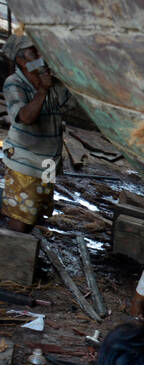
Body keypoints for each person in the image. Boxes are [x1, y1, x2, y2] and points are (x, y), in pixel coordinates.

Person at [2, 34, 72, 232]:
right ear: (21, 60)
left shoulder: (51, 82)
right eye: (34, 52)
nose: (41, 55)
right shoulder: (14, 82)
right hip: (25, 163)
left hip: (49, 163)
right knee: (20, 216)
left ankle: (24, 252)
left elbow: (70, 99)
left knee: (36, 214)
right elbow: (25, 118)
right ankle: (13, 257)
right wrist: (42, 91)